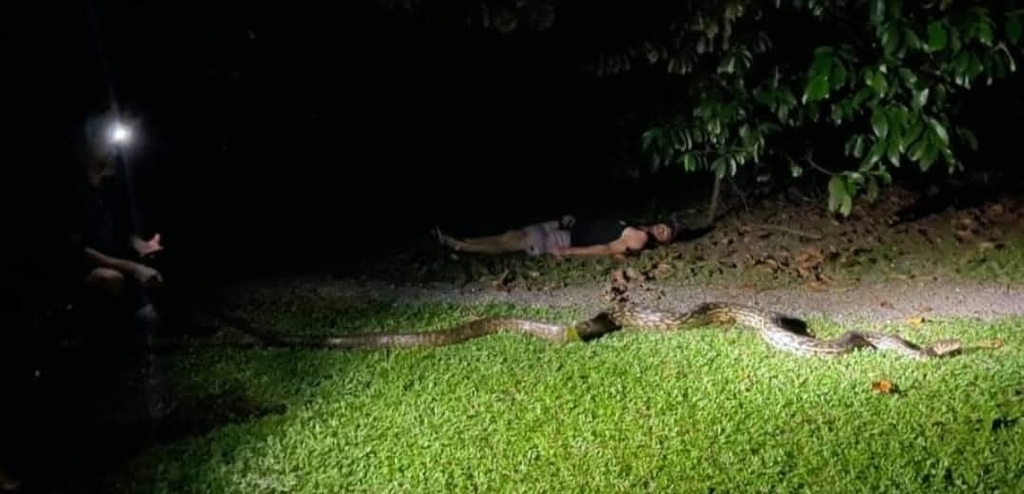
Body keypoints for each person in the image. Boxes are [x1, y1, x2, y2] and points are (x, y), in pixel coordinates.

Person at [70, 115, 165, 331]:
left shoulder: (109, 187)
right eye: (105, 142)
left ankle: (144, 317)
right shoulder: (72, 193)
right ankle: (97, 334)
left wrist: (141, 245)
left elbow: (122, 230)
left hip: (116, 260)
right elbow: (79, 253)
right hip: (81, 271)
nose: (113, 148)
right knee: (111, 279)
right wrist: (133, 268)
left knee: (152, 268)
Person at [434, 215, 675, 258]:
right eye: (667, 226)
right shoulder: (638, 226)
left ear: (664, 241)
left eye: (668, 235)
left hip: (562, 241)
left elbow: (607, 248)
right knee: (509, 236)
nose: (665, 230)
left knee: (511, 243)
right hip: (560, 228)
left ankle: (460, 247)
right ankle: (462, 242)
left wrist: (569, 252)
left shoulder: (640, 239)